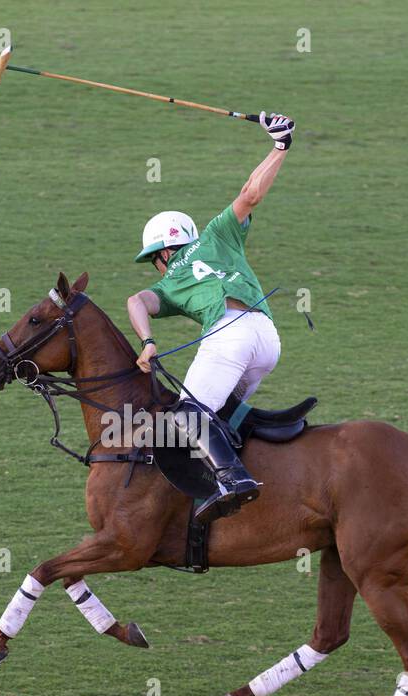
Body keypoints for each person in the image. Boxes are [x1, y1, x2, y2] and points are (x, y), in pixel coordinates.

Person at [126, 112, 295, 522]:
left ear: (163, 254)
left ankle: (233, 480)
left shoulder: (167, 284)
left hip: (230, 338)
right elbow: (251, 193)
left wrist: (148, 343)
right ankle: (235, 468)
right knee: (218, 417)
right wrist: (280, 146)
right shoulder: (218, 233)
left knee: (188, 414)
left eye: (154, 261)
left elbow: (135, 301)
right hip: (267, 339)